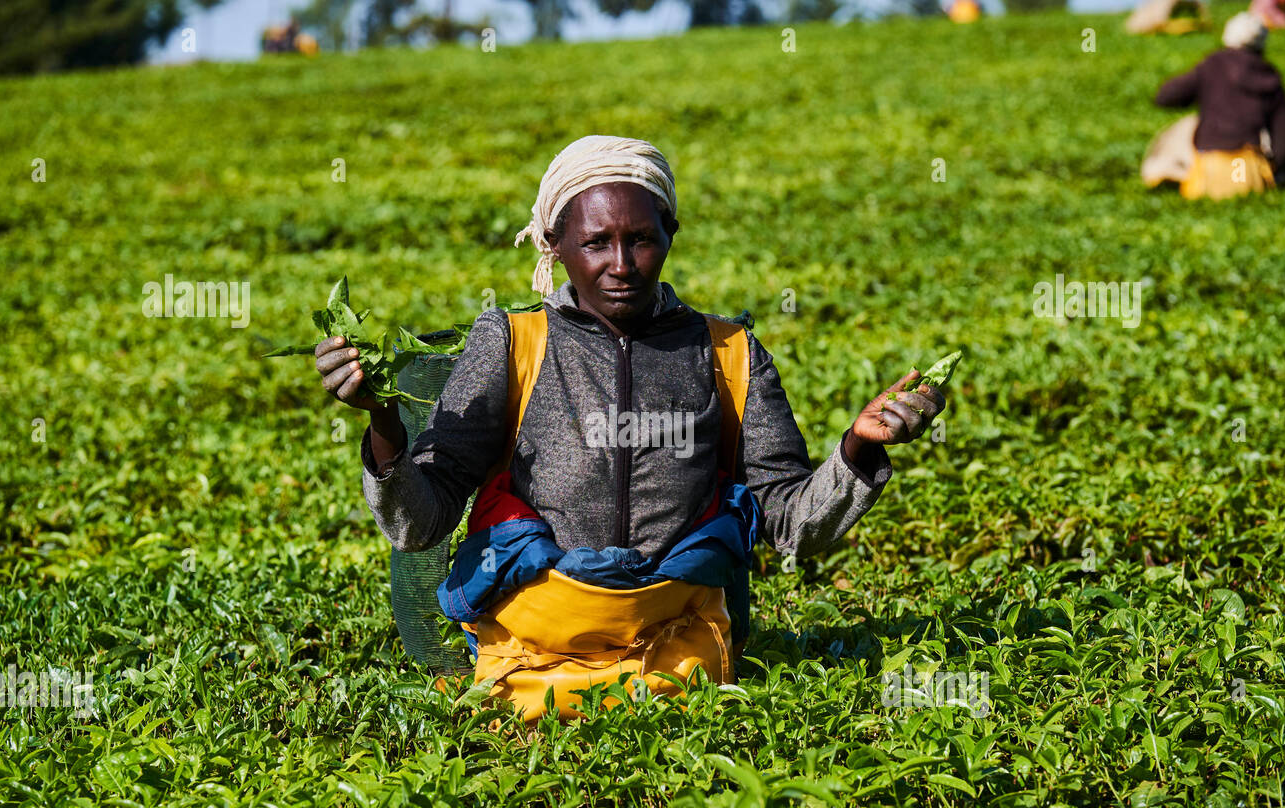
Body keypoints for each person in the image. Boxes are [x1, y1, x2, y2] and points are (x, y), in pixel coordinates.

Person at [314, 135, 947, 720]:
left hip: (684, 668)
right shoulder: (511, 344)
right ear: (553, 243)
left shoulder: (728, 353)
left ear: (671, 234)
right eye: (595, 243)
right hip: (527, 671)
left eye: (642, 238)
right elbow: (419, 522)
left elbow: (787, 523)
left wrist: (859, 448)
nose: (622, 264)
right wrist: (384, 423)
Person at [1147, 12, 1285, 198]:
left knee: (1189, 123)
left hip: (1209, 173)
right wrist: (1276, 170)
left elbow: (1165, 97)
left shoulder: (1212, 65)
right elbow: (1283, 139)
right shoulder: (1271, 77)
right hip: (1248, 174)